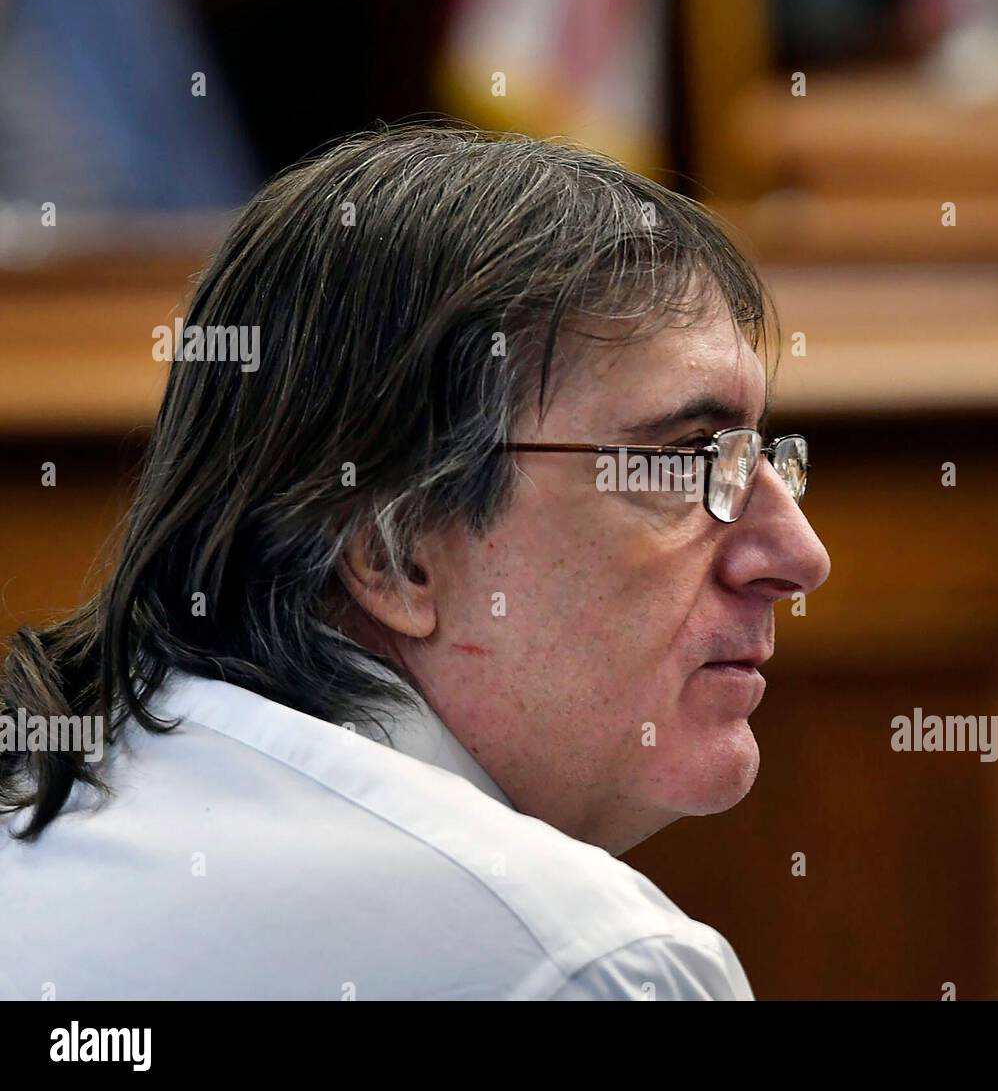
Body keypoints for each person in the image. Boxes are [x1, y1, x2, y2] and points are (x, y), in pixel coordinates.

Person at [0, 126, 831, 1000]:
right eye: (683, 458)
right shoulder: (587, 960)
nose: (798, 556)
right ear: (392, 551)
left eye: (763, 455)